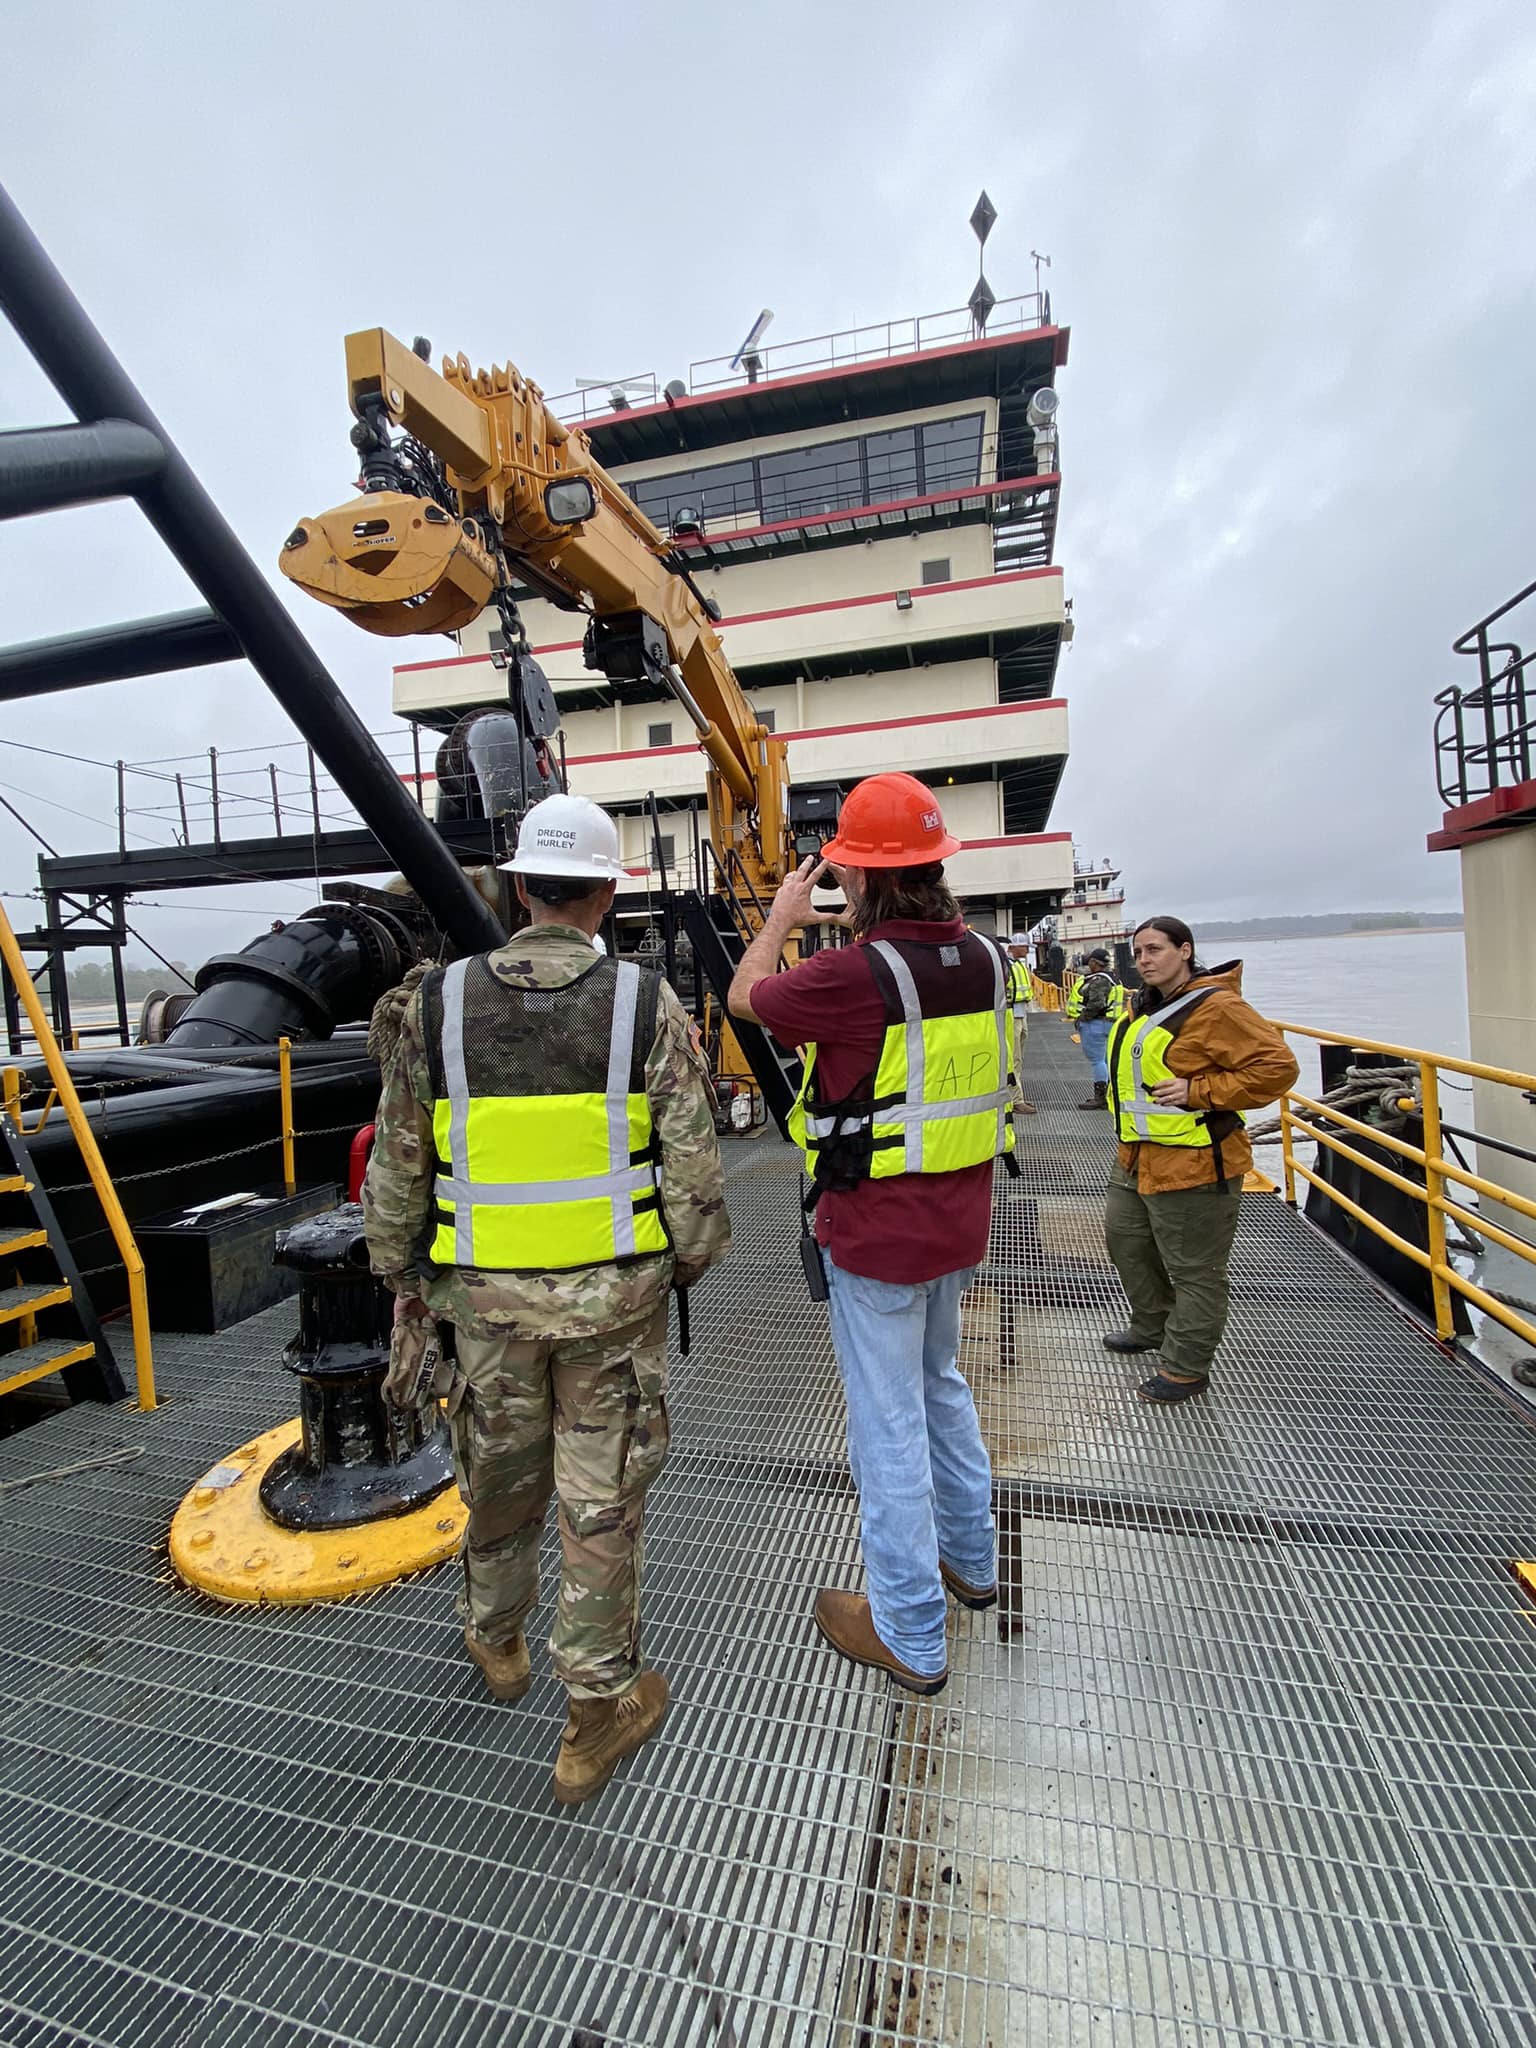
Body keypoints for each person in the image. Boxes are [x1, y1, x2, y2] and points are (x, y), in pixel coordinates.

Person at [362, 793, 730, 1803]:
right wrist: (684, 1262)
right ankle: (592, 1715)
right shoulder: (642, 1003)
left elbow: (397, 1169)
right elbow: (694, 1177)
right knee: (599, 1501)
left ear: (521, 886)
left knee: (499, 1473)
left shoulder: (433, 1003)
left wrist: (401, 1274)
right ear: (609, 892)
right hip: (613, 1311)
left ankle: (498, 1640)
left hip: (486, 1310)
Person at [728, 772, 1012, 1696]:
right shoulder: (992, 960)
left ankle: (911, 1636)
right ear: (937, 865)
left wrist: (778, 915)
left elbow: (743, 998)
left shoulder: (850, 975)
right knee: (942, 1388)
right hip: (960, 1224)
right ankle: (974, 1565)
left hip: (876, 1238)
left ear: (856, 877)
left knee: (887, 1427)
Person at [1103, 915, 1298, 1404]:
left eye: (1155, 950)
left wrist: (1201, 1091)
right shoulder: (1144, 1007)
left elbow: (1278, 1068)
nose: (1145, 960)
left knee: (1195, 1269)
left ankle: (1187, 1367)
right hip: (1136, 1155)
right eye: (1139, 952)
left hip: (1193, 1161)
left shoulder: (1217, 1009)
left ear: (1185, 951)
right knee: (1126, 1243)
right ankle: (1151, 1325)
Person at [1066, 948, 1122, 1109]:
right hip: (1110, 1024)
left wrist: (1082, 1018)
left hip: (1095, 1024)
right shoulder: (1114, 978)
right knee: (1106, 1060)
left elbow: (1097, 1003)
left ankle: (1100, 1098)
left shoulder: (1098, 980)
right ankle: (1110, 1095)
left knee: (1097, 1061)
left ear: (1094, 962)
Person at [1004, 932, 1037, 1115]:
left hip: (1020, 1013)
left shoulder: (1018, 965)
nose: (1026, 950)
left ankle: (1018, 1096)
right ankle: (1016, 1100)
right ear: (1014, 947)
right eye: (1024, 947)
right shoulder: (1007, 965)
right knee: (1014, 1058)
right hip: (1012, 1015)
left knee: (1018, 1058)